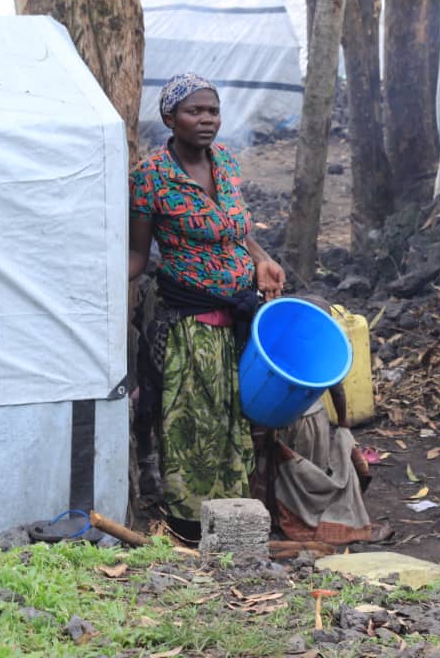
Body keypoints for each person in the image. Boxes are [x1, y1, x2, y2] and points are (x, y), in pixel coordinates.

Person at [129, 73, 286, 541]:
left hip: (241, 313)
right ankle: (189, 525)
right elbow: (139, 254)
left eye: (212, 111)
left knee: (236, 417)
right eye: (194, 111)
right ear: (169, 117)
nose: (206, 120)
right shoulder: (150, 178)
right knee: (193, 424)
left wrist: (261, 259)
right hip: (189, 323)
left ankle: (235, 518)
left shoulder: (227, 164)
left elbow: (234, 229)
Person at [255, 296, 392, 545]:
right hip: (311, 419)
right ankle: (309, 516)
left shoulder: (281, 341)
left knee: (283, 471)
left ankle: (280, 517)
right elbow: (336, 389)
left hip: (278, 419)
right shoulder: (322, 349)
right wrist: (343, 422)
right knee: (308, 473)